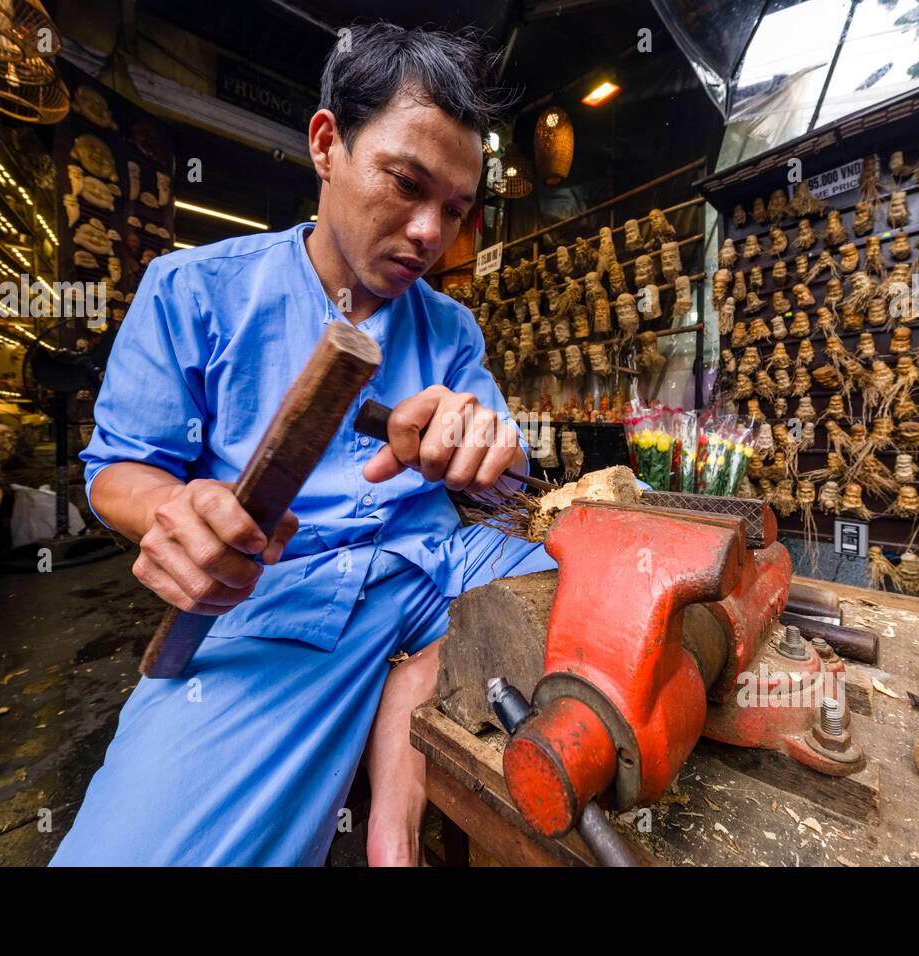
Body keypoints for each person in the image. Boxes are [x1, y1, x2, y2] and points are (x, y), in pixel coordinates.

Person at [50, 22, 552, 867]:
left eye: (457, 211)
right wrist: (172, 510)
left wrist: (488, 448)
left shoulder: (452, 328)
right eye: (406, 183)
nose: (431, 232)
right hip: (278, 599)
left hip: (442, 567)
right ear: (327, 145)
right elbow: (116, 469)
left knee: (613, 598)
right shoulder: (193, 290)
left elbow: (513, 485)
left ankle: (396, 811)